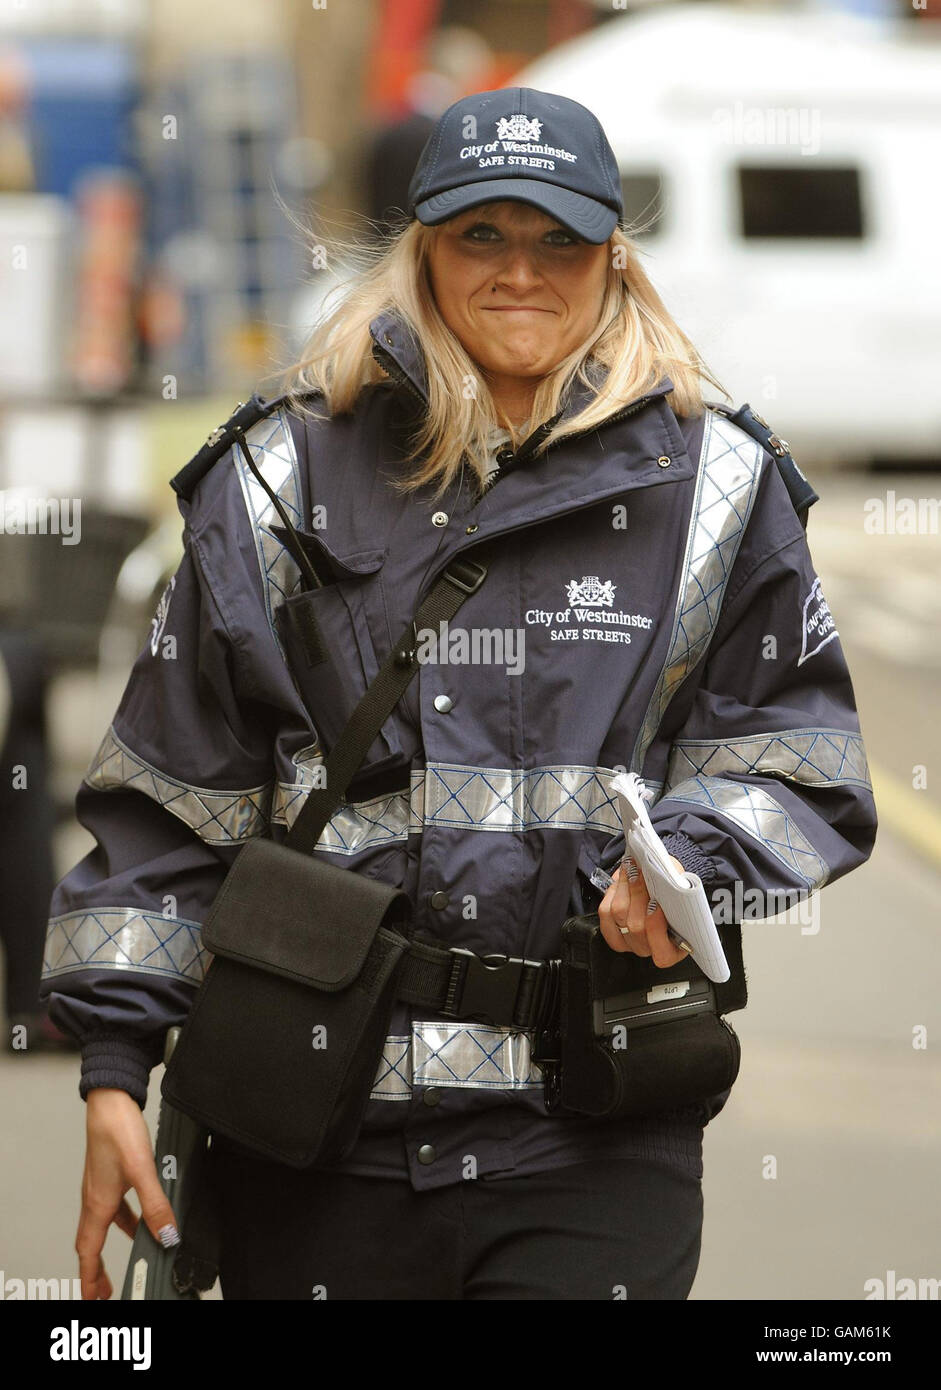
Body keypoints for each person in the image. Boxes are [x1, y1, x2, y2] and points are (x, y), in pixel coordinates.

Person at [41, 87, 877, 1301]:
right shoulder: (276, 476)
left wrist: (686, 858)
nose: (519, 271)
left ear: (612, 256)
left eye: (557, 239)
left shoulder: (721, 484)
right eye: (481, 233)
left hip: (592, 1136)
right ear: (420, 247)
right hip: (315, 1139)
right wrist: (116, 1064)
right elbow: (175, 798)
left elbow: (799, 754)